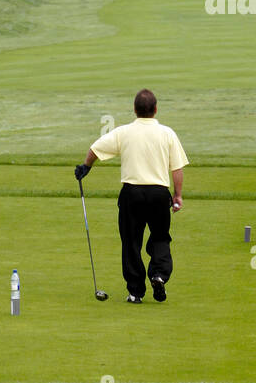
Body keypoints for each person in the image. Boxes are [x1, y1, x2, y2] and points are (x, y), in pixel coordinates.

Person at [74, 89, 188, 303]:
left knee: (131, 241)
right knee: (160, 237)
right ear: (155, 109)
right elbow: (177, 169)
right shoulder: (167, 133)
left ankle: (136, 292)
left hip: (132, 194)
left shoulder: (124, 132)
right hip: (158, 193)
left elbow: (95, 149)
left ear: (135, 110)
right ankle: (159, 275)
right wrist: (177, 195)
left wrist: (86, 167)